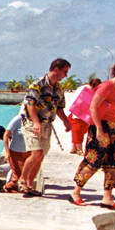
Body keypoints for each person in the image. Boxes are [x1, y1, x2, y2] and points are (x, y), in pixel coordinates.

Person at [69, 62, 115, 209]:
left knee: (114, 162)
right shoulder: (107, 86)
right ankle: (75, 192)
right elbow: (93, 107)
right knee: (93, 160)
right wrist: (99, 129)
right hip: (101, 126)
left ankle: (107, 198)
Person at [18, 58, 72, 197]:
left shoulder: (59, 88)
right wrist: (36, 123)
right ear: (56, 69)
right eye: (64, 72)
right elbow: (30, 104)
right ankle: (22, 180)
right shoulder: (37, 85)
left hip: (47, 125)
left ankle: (29, 184)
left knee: (40, 156)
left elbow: (59, 108)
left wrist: (66, 121)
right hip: (32, 123)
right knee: (36, 153)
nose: (66, 75)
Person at [67, 79, 101, 154]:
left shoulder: (84, 88)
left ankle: (74, 148)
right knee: (78, 131)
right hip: (77, 114)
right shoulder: (86, 89)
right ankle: (79, 149)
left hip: (79, 113)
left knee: (79, 131)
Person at [0, 114, 29, 192]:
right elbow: (6, 135)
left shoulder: (36, 120)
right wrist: (7, 153)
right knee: (18, 174)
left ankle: (22, 187)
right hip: (16, 151)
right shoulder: (18, 119)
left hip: (28, 151)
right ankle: (8, 187)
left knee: (26, 172)